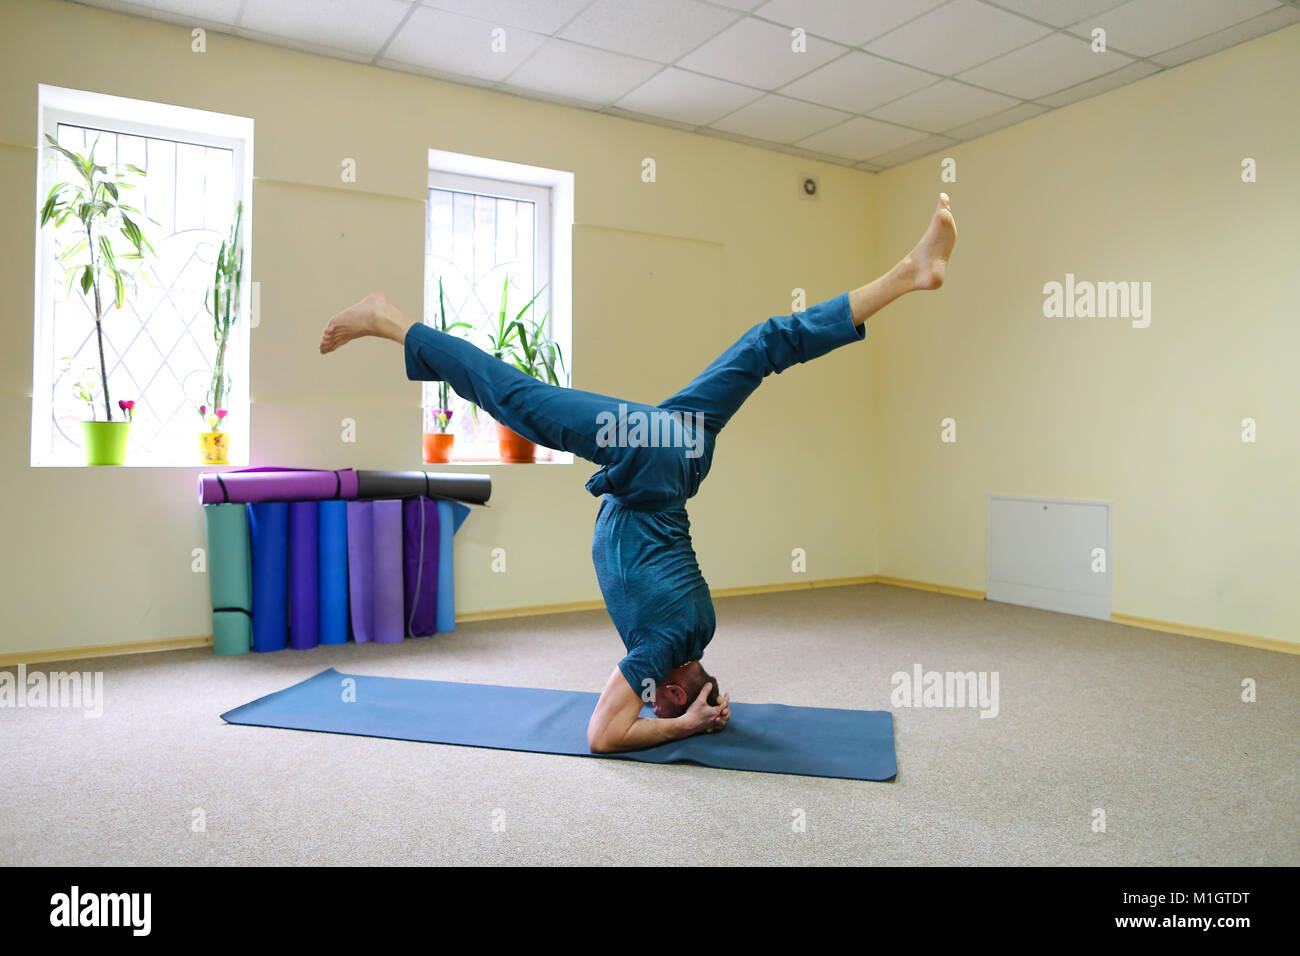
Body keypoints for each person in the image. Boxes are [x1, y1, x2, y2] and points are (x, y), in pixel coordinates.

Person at [320, 194, 957, 754]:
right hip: (652, 455)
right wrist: (686, 726)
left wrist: (697, 709)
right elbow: (603, 736)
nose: (645, 706)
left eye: (651, 706)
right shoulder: (661, 650)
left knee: (768, 343)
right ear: (677, 684)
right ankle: (389, 320)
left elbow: (652, 697)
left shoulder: (697, 631)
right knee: (516, 399)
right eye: (659, 703)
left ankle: (908, 273)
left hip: (681, 453)